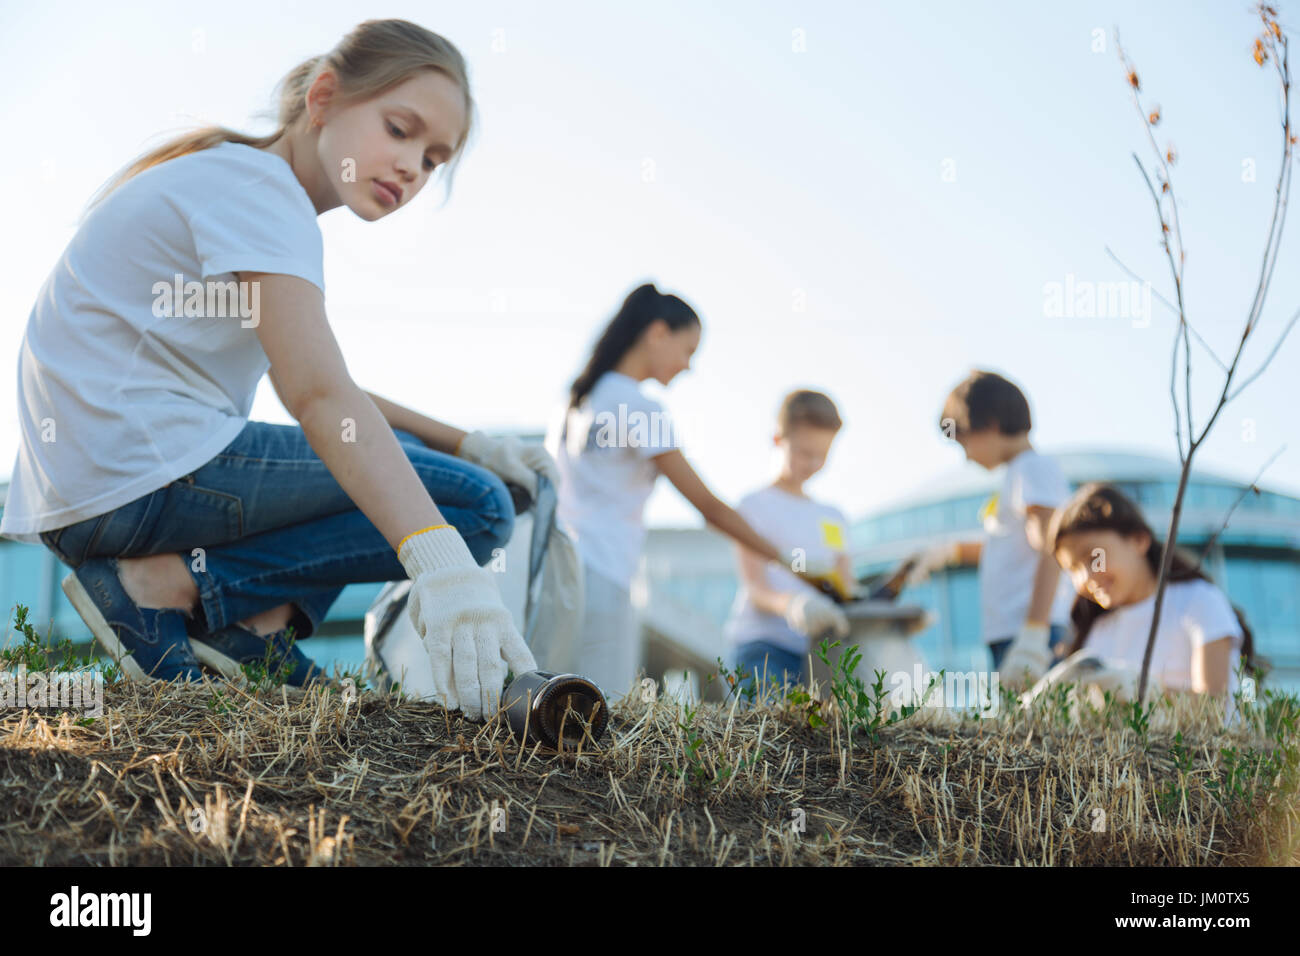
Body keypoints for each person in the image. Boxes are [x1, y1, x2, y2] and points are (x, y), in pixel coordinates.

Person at [0, 20, 551, 718]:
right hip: (135, 473)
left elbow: (325, 386)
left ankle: (250, 629)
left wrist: (466, 442)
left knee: (410, 463)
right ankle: (169, 589)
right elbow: (319, 397)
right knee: (475, 505)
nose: (413, 166)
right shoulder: (262, 193)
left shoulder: (239, 183)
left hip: (100, 480)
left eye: (435, 159)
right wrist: (442, 560)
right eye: (399, 128)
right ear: (324, 96)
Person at [547, 284, 810, 702]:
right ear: (657, 333)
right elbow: (708, 507)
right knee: (601, 706)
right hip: (608, 572)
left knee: (552, 700)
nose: (688, 366)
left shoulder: (578, 400)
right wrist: (786, 559)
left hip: (557, 572)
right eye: (688, 350)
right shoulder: (641, 408)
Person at [905, 370, 1074, 685]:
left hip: (1030, 630)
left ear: (991, 425)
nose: (966, 456)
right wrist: (950, 552)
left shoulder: (1031, 469)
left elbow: (1052, 548)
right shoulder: (1019, 474)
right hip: (1016, 630)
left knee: (1034, 730)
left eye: (964, 442)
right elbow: (1010, 545)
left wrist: (1034, 636)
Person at [1048, 482, 1255, 717]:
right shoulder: (1097, 631)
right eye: (1072, 569)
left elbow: (1214, 709)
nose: (1085, 577)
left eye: (1094, 557)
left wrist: (1141, 691)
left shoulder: (1198, 601)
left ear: (1139, 540)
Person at [723, 390, 855, 699]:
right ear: (778, 439)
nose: (812, 462)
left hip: (818, 653)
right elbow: (754, 586)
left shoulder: (833, 518)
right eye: (804, 452)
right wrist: (793, 606)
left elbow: (845, 587)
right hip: (763, 649)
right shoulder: (754, 506)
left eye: (822, 454)